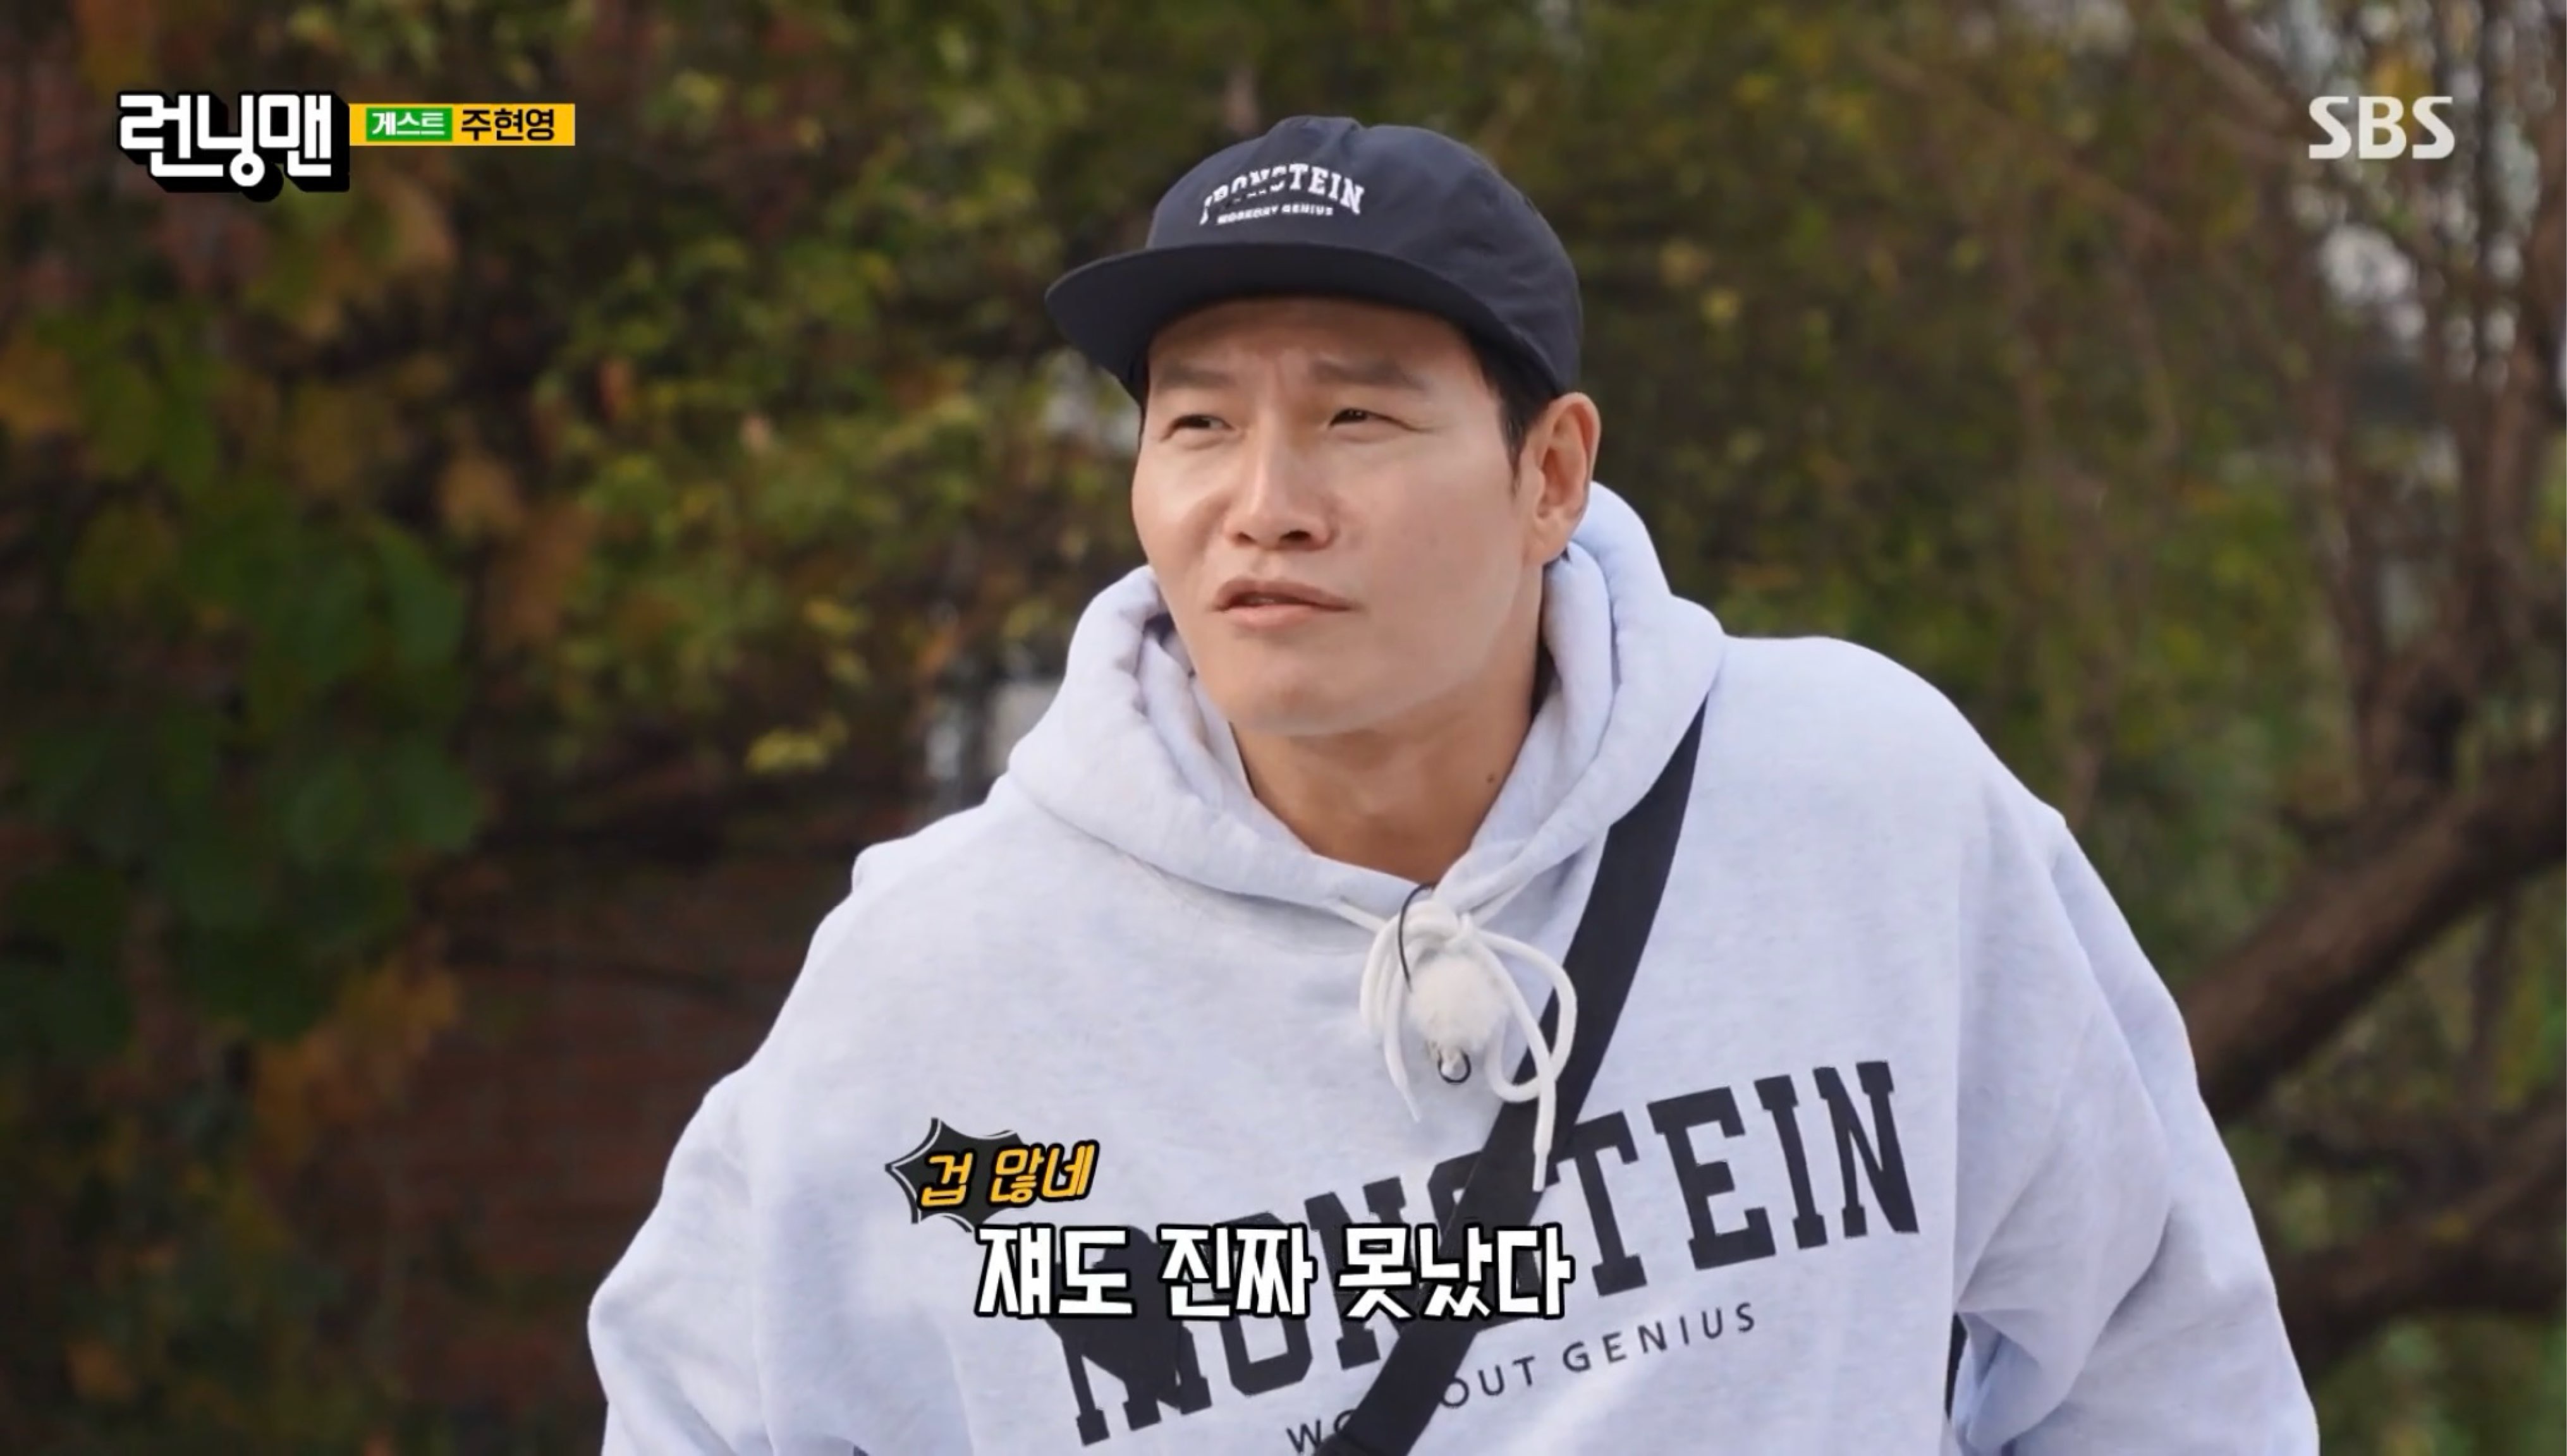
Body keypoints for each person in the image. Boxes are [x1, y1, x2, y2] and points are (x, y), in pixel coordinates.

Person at [588, 115, 2319, 1455]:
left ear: (1549, 475)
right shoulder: (938, 975)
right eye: (1198, 425)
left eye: (1357, 420)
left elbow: (2163, 1360)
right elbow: (700, 1410)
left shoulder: (1868, 809)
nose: (1265, 504)